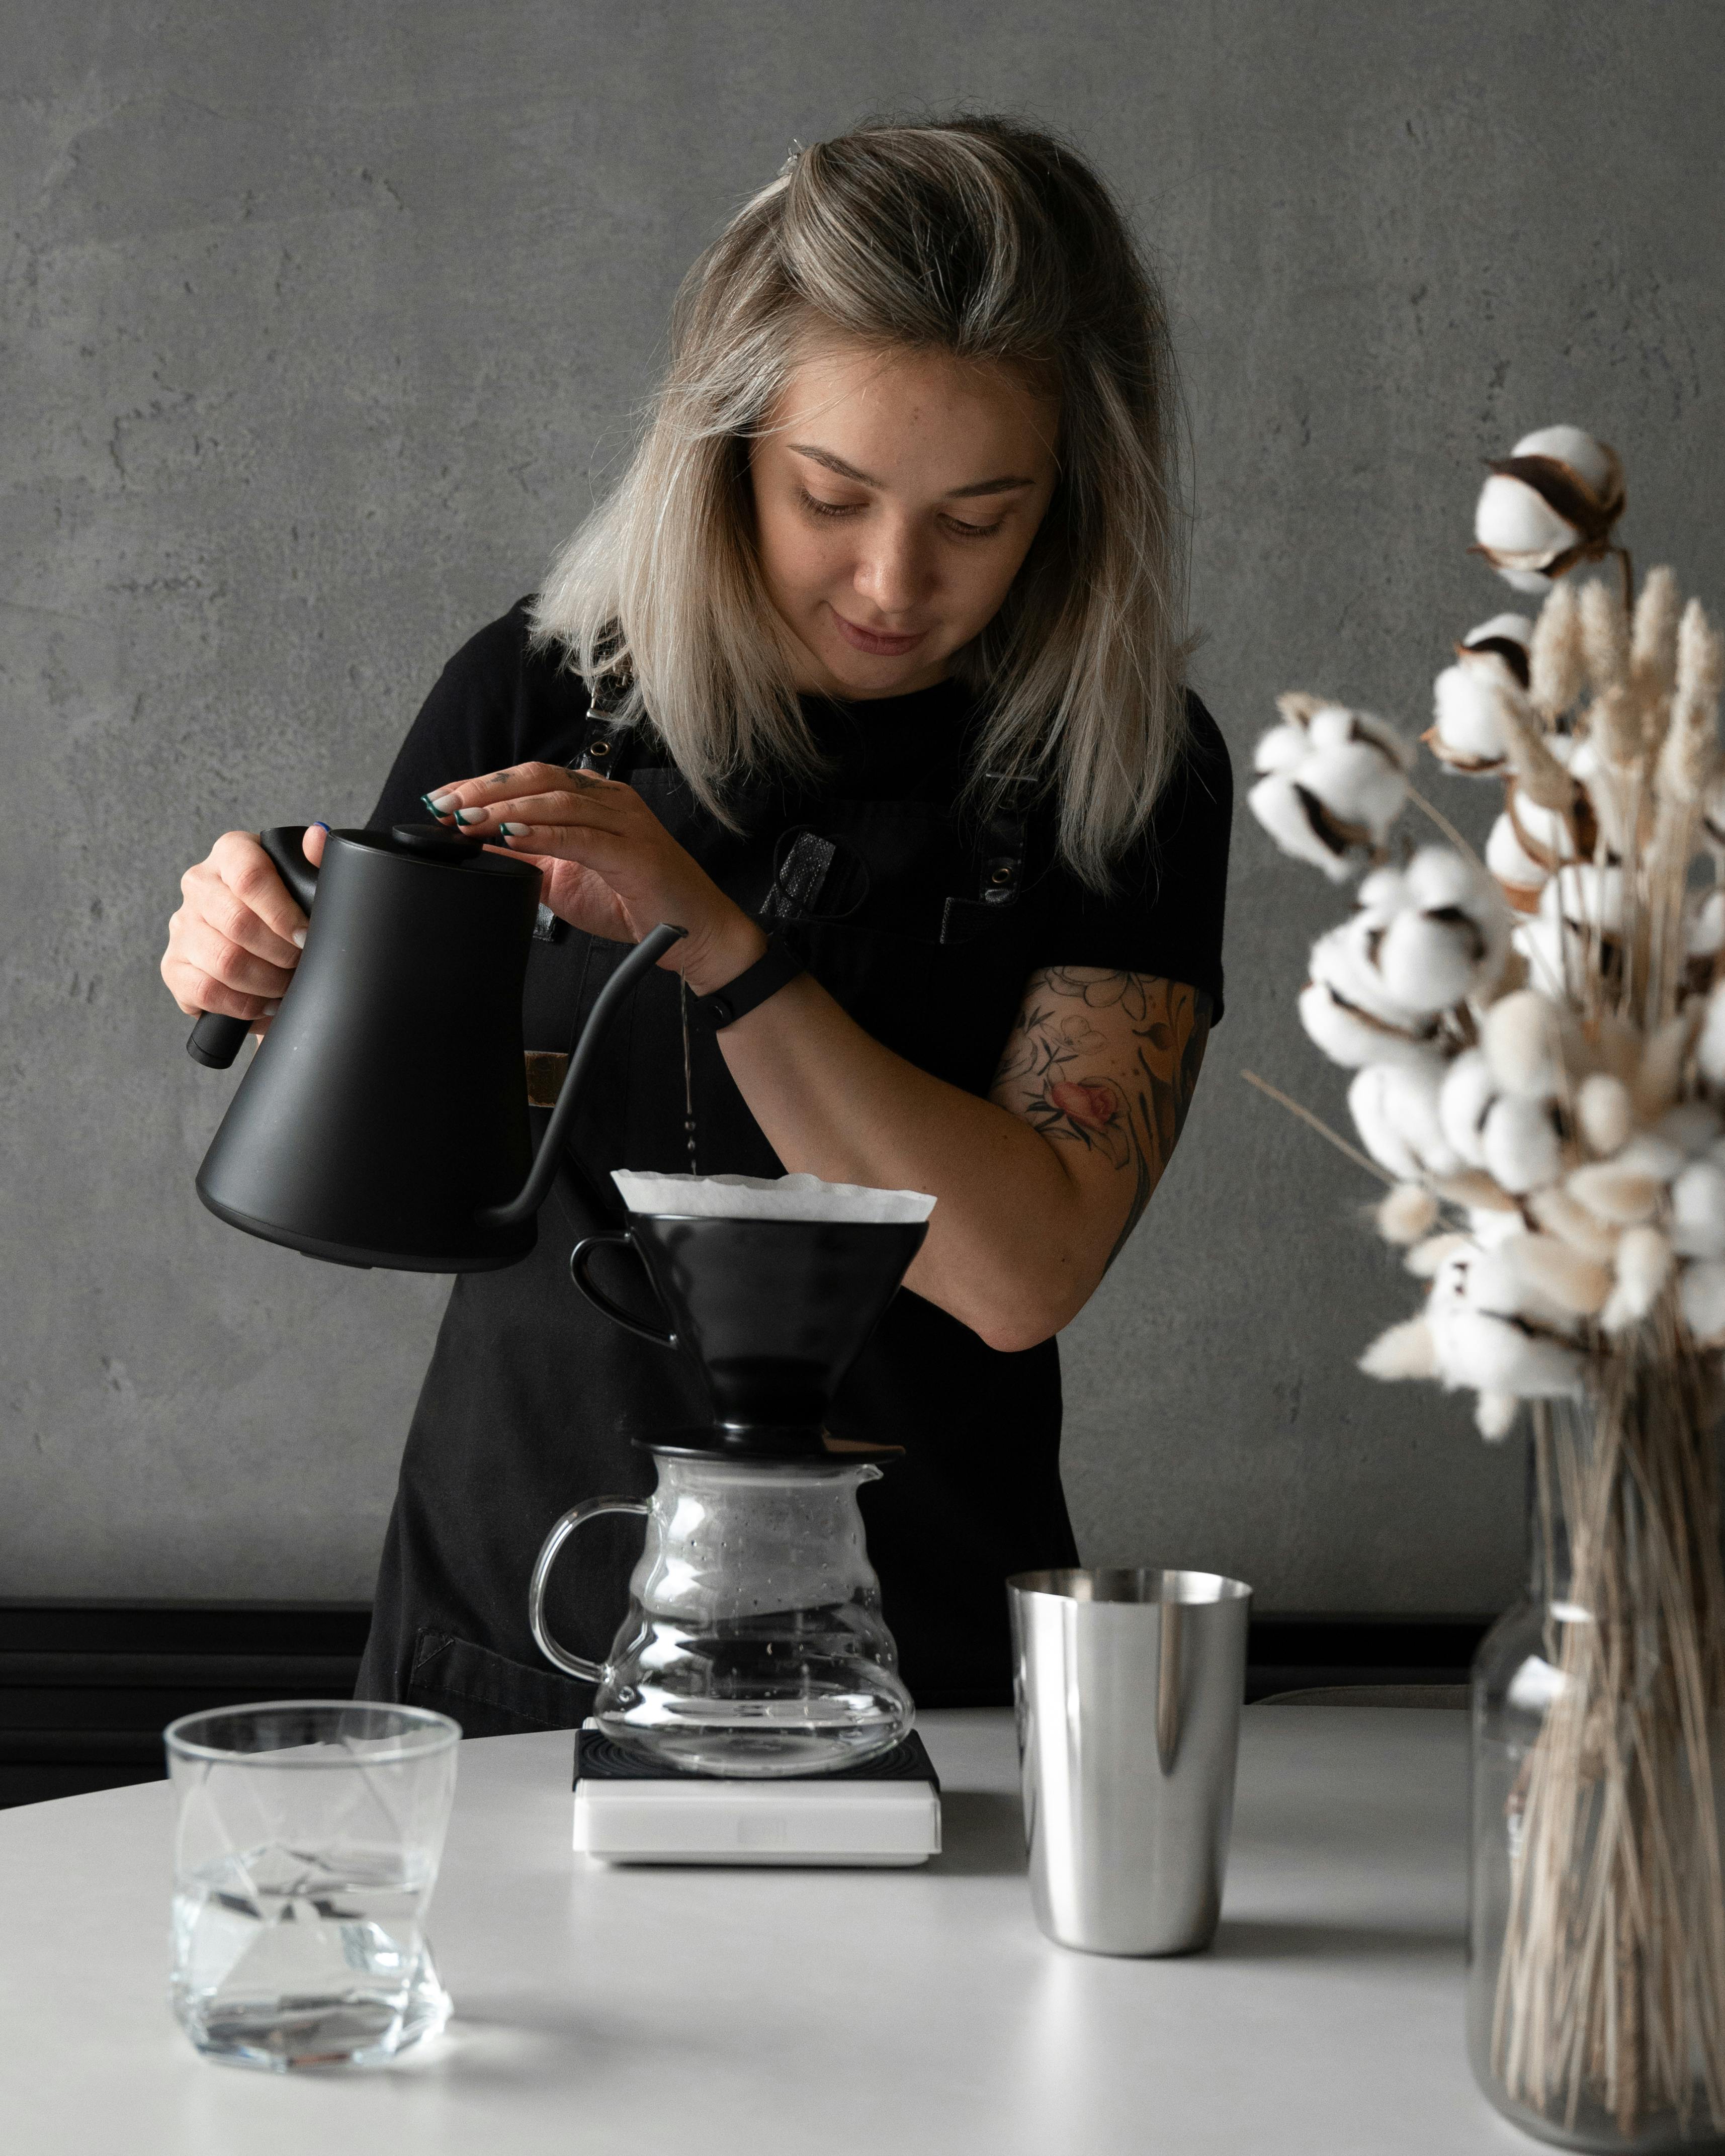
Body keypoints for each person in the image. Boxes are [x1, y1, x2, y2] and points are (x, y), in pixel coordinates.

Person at [160, 115, 1232, 1732]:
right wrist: (261, 943)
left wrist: (723, 943)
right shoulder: (542, 691)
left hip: (908, 1654)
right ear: (723, 446)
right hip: (512, 1624)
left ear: (1073, 501)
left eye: (979, 517)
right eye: (832, 496)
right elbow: (369, 1184)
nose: (892, 579)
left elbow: (1023, 1273)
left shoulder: (1122, 769)